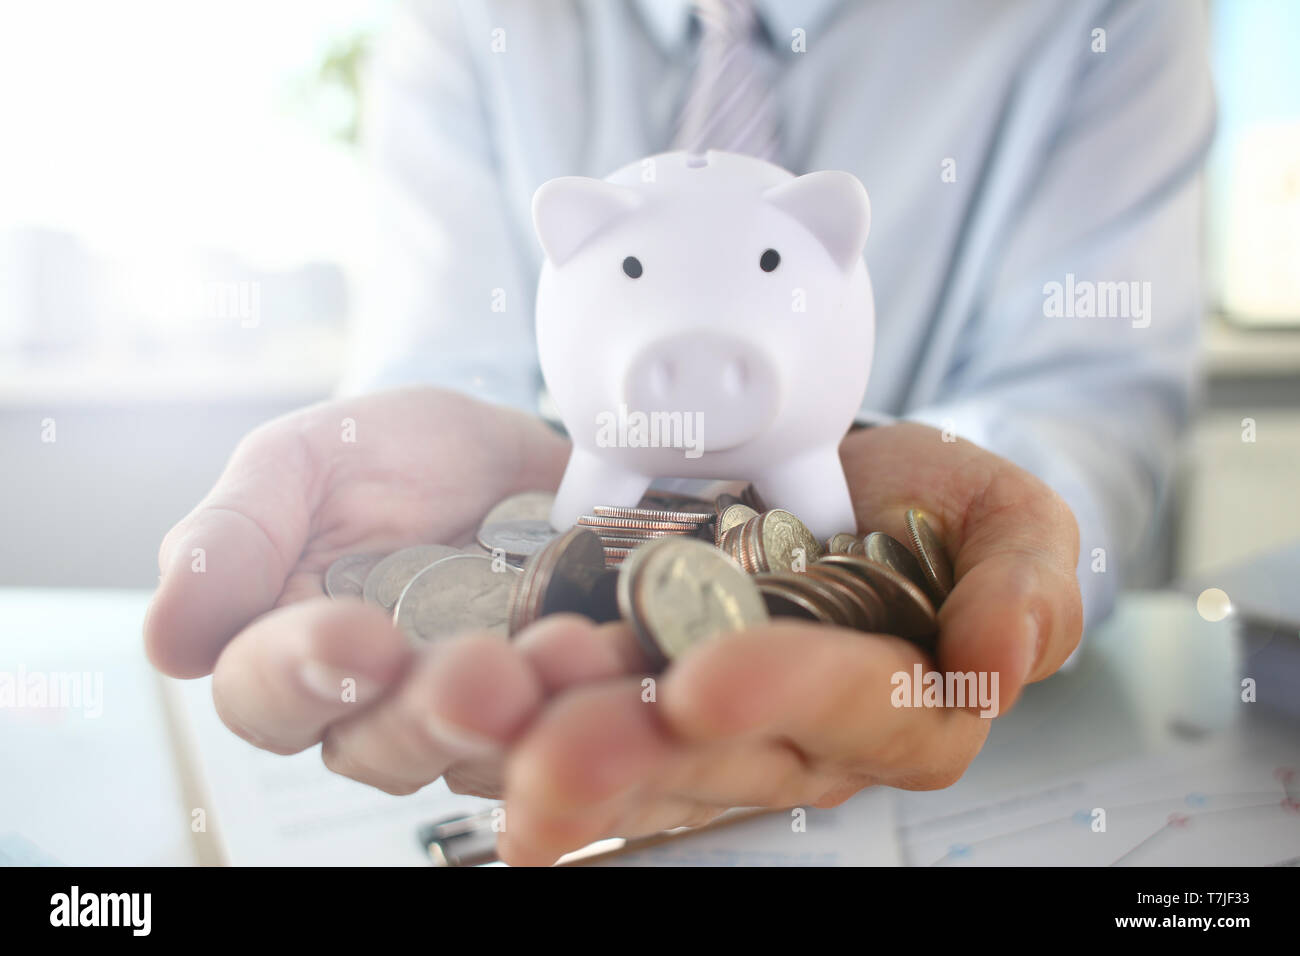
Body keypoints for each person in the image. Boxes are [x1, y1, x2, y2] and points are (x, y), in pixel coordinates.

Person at [144, 0, 1214, 866]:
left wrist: (919, 522)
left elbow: (1081, 391)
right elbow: (442, 354)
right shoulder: (465, 21)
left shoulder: (1107, 16)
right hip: (588, 505)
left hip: (996, 774)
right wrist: (506, 505)